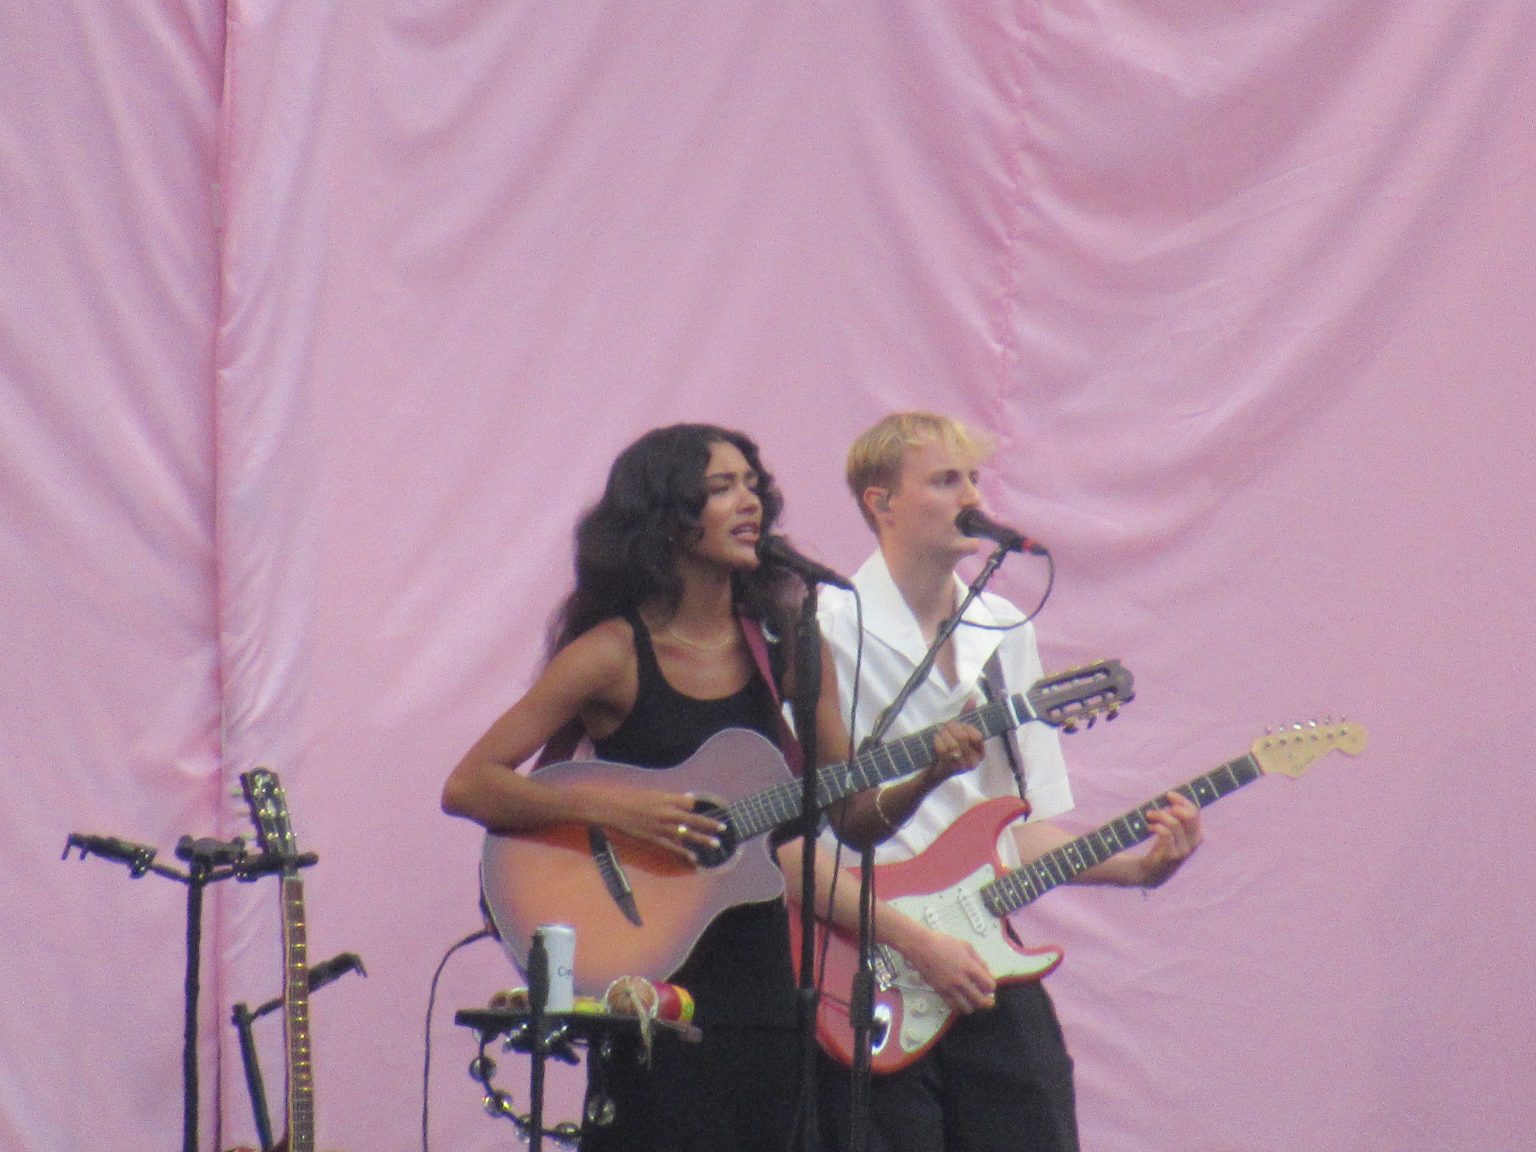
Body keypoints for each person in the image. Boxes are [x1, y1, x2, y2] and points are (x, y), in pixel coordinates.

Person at [441, 422, 982, 1152]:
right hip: (648, 979)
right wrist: (622, 810)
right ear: (667, 516)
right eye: (721, 488)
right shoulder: (611, 652)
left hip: (763, 987)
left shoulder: (789, 644)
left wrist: (929, 774)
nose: (748, 502)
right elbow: (470, 784)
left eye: (752, 485)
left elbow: (853, 818)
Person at [783, 412, 1203, 1152]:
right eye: (946, 480)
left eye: (973, 477)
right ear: (881, 503)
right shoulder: (825, 625)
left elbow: (1024, 827)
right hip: (866, 959)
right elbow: (791, 842)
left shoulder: (1005, 630)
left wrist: (1139, 866)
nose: (970, 495)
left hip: (980, 950)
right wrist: (913, 942)